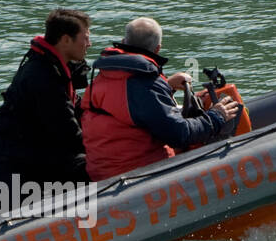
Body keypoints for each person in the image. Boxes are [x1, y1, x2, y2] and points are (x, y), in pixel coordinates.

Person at [80, 16, 239, 180]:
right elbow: (180, 135)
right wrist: (215, 116)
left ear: (122, 41)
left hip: (101, 171)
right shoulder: (144, 83)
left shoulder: (104, 75)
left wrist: (167, 86)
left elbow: (129, 105)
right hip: (136, 173)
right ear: (157, 49)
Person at [0, 9, 92, 198]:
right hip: (18, 168)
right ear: (66, 40)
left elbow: (75, 111)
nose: (89, 44)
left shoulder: (49, 67)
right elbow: (68, 132)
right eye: (85, 38)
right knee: (91, 167)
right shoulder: (43, 77)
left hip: (23, 155)